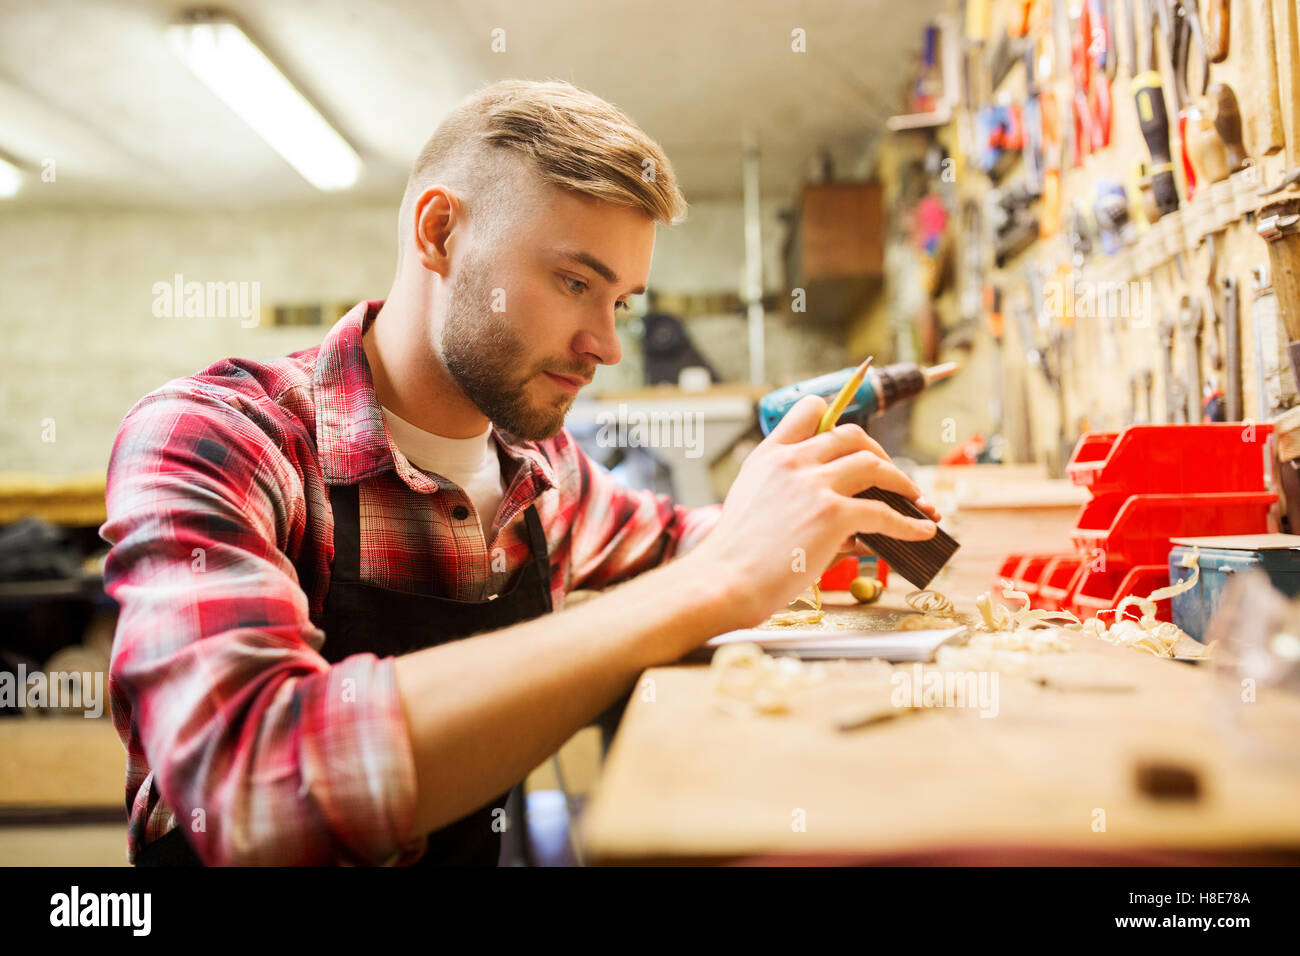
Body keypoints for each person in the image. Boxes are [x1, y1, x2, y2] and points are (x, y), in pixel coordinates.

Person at [100, 79, 940, 866]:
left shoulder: (540, 473)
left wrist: (807, 515)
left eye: (621, 303)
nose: (607, 346)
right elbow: (249, 790)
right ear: (439, 234)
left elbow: (685, 543)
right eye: (576, 281)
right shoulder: (219, 438)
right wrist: (714, 583)